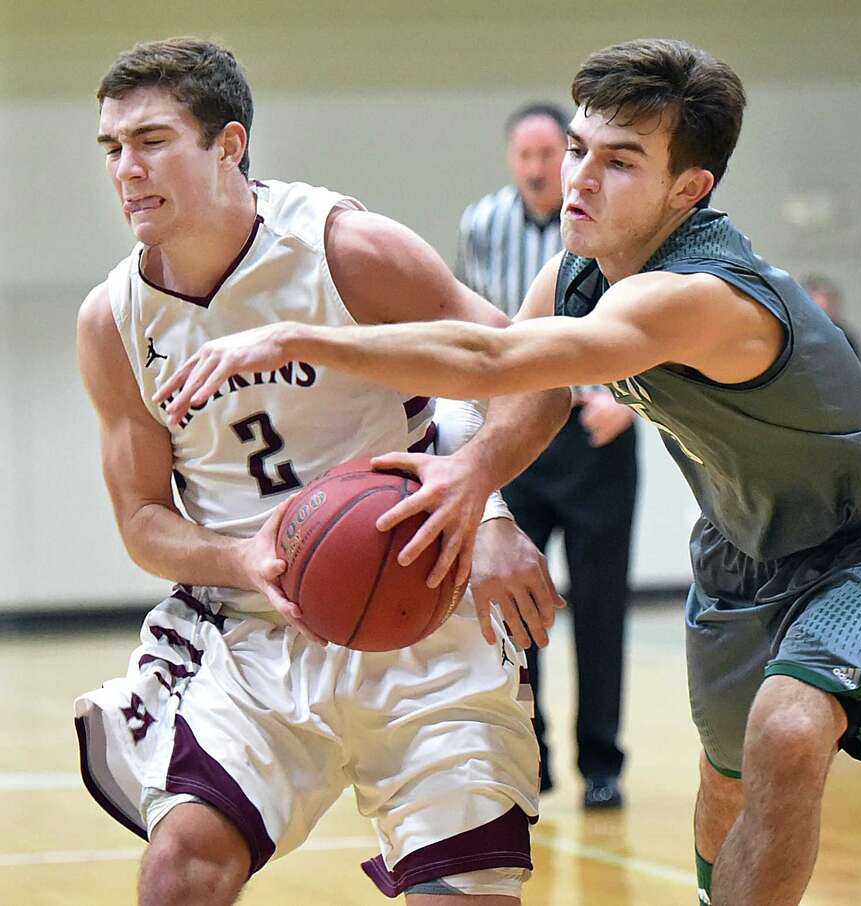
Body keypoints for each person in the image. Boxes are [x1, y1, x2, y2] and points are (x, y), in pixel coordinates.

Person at [157, 39, 861, 906]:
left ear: (688, 189)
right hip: (741, 554)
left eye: (619, 162)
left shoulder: (700, 293)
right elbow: (526, 392)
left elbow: (493, 357)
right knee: (727, 782)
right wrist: (476, 481)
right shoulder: (581, 270)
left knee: (787, 731)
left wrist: (299, 337)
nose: (578, 177)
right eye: (580, 148)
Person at [73, 38, 571, 906]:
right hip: (255, 631)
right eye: (113, 147)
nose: (126, 169)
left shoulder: (345, 249)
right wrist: (244, 558)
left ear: (228, 146)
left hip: (420, 607)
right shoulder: (113, 323)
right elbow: (143, 522)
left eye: (152, 141)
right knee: (179, 870)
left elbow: (531, 376)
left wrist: (480, 501)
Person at [456, 103, 638, 808]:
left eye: (548, 154)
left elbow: (648, 315)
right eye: (525, 155)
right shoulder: (482, 223)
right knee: (514, 600)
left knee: (601, 602)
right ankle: (528, 756)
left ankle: (602, 763)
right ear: (512, 159)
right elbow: (475, 328)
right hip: (519, 431)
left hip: (597, 430)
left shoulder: (613, 221)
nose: (537, 168)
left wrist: (629, 399)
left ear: (567, 158)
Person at [800, 273, 861, 365]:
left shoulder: (845, 338)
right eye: (825, 298)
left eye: (831, 299)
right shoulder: (798, 336)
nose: (830, 305)